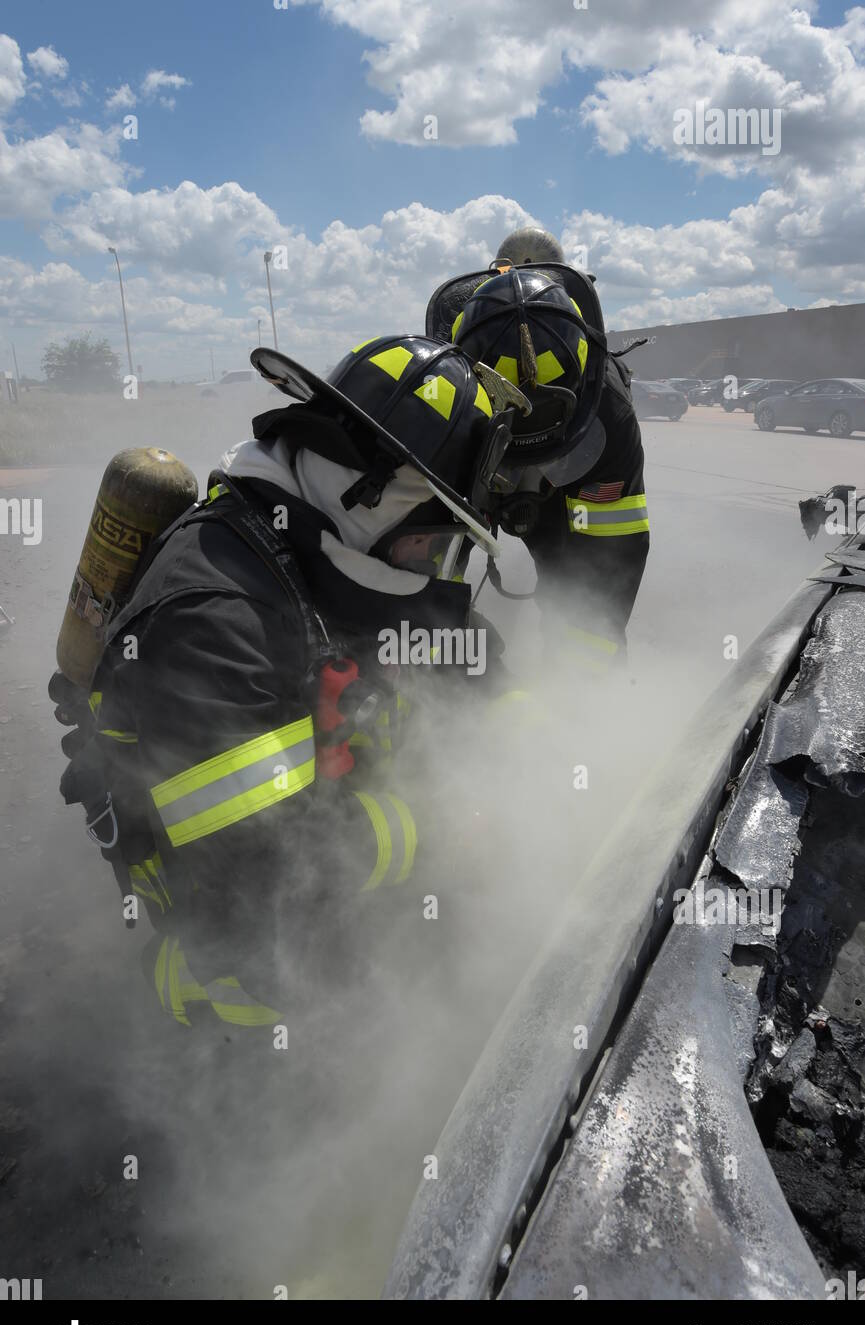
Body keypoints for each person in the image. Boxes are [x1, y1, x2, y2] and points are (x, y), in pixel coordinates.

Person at [51, 335, 518, 1029]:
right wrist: (448, 827)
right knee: (290, 1021)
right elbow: (260, 877)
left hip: (317, 861)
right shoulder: (212, 616)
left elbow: (457, 650)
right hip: (242, 951)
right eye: (436, 540)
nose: (436, 570)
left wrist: (527, 744)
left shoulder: (325, 539)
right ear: (375, 501)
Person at [426, 227, 649, 678]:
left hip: (568, 500)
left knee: (577, 601)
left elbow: (609, 561)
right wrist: (442, 642)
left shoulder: (608, 408)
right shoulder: (438, 396)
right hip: (474, 479)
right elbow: (419, 549)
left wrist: (579, 687)